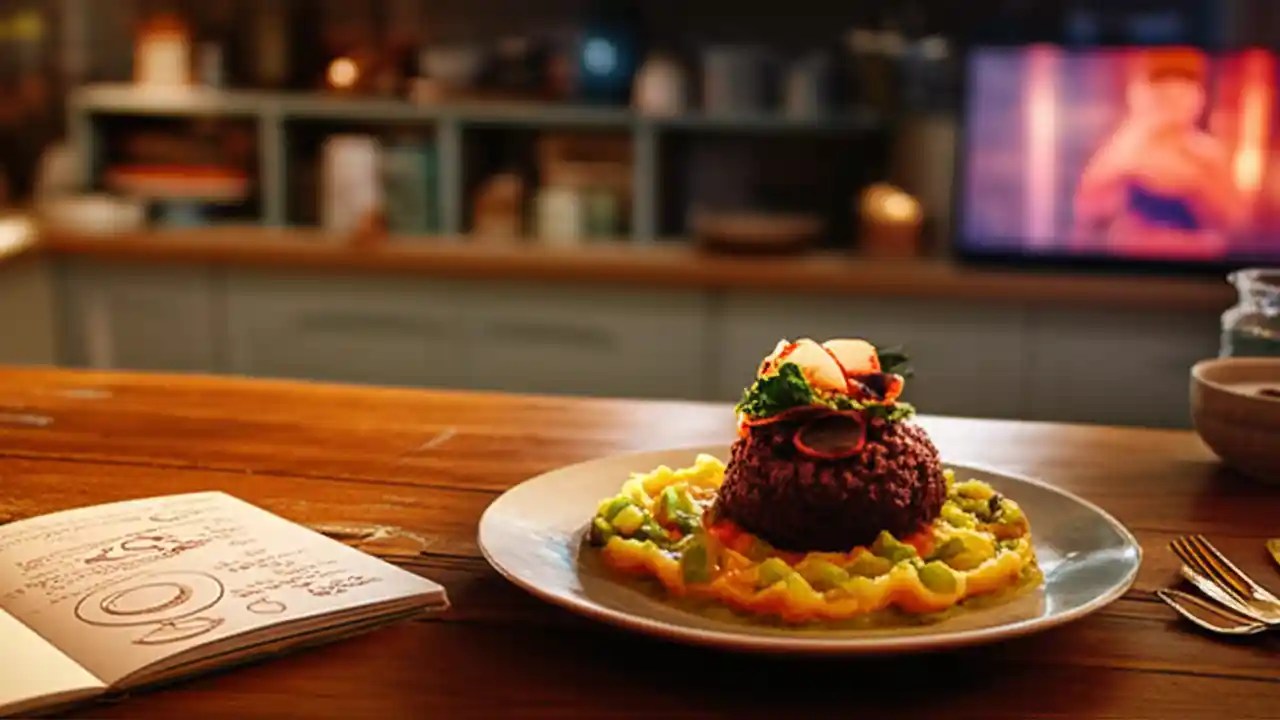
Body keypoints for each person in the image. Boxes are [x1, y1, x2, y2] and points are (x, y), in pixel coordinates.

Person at [1073, 50, 1243, 258]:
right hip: (1134, 263)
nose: (1174, 98)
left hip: (1193, 263)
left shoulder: (1206, 152)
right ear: (1141, 93)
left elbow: (1233, 222)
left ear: (1198, 97)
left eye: (1184, 88)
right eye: (1163, 89)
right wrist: (1128, 163)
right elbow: (1088, 212)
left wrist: (1194, 182)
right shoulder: (1124, 147)